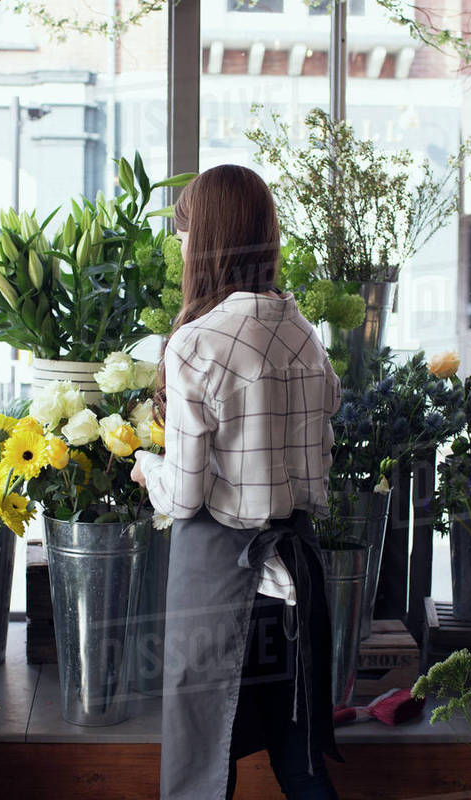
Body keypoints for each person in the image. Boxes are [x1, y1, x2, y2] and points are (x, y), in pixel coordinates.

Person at [131, 163, 343, 800]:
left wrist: (148, 468)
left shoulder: (197, 343)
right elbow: (321, 458)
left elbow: (186, 495)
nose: (181, 247)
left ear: (206, 240)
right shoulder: (306, 336)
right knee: (299, 761)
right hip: (295, 577)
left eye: (185, 234)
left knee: (201, 768)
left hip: (220, 578)